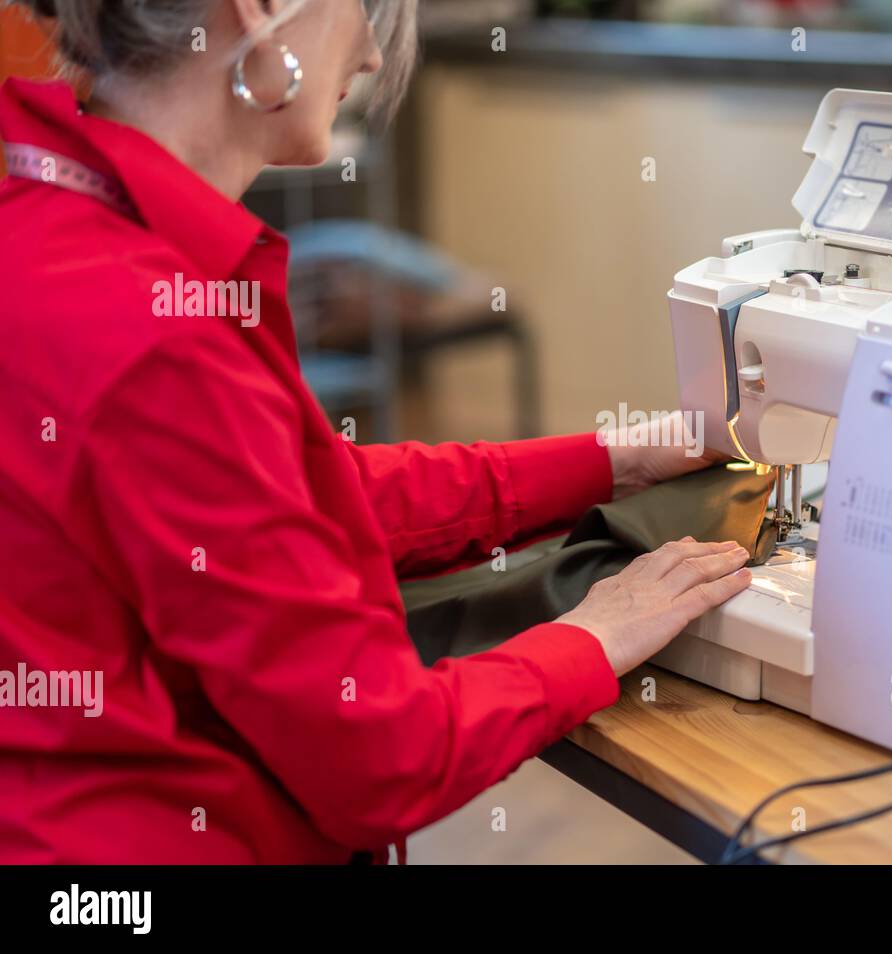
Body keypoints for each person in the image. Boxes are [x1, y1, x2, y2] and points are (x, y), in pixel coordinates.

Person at [0, 0, 753, 863]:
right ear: (261, 10)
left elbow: (279, 503)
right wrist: (596, 634)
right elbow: (383, 758)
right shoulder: (158, 333)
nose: (366, 53)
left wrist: (610, 461)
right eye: (366, 9)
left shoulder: (48, 229)